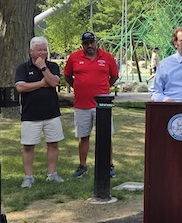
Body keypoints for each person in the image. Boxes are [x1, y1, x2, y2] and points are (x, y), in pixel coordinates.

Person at [64, 31, 120, 178]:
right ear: (82, 44)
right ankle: (82, 166)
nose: (90, 45)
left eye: (92, 42)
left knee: (105, 136)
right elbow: (67, 76)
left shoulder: (107, 57)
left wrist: (104, 87)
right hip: (82, 104)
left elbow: (114, 76)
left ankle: (109, 165)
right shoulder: (74, 57)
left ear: (96, 42)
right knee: (83, 136)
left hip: (102, 105)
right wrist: (78, 86)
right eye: (86, 43)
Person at [15, 37, 65, 188]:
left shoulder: (53, 66)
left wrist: (43, 68)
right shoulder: (23, 68)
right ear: (31, 51)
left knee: (53, 144)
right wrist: (42, 83)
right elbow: (20, 88)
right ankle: (28, 177)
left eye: (45, 49)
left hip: (52, 113)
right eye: (39, 50)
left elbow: (55, 82)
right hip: (30, 114)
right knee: (28, 146)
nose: (43, 52)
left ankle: (52, 174)